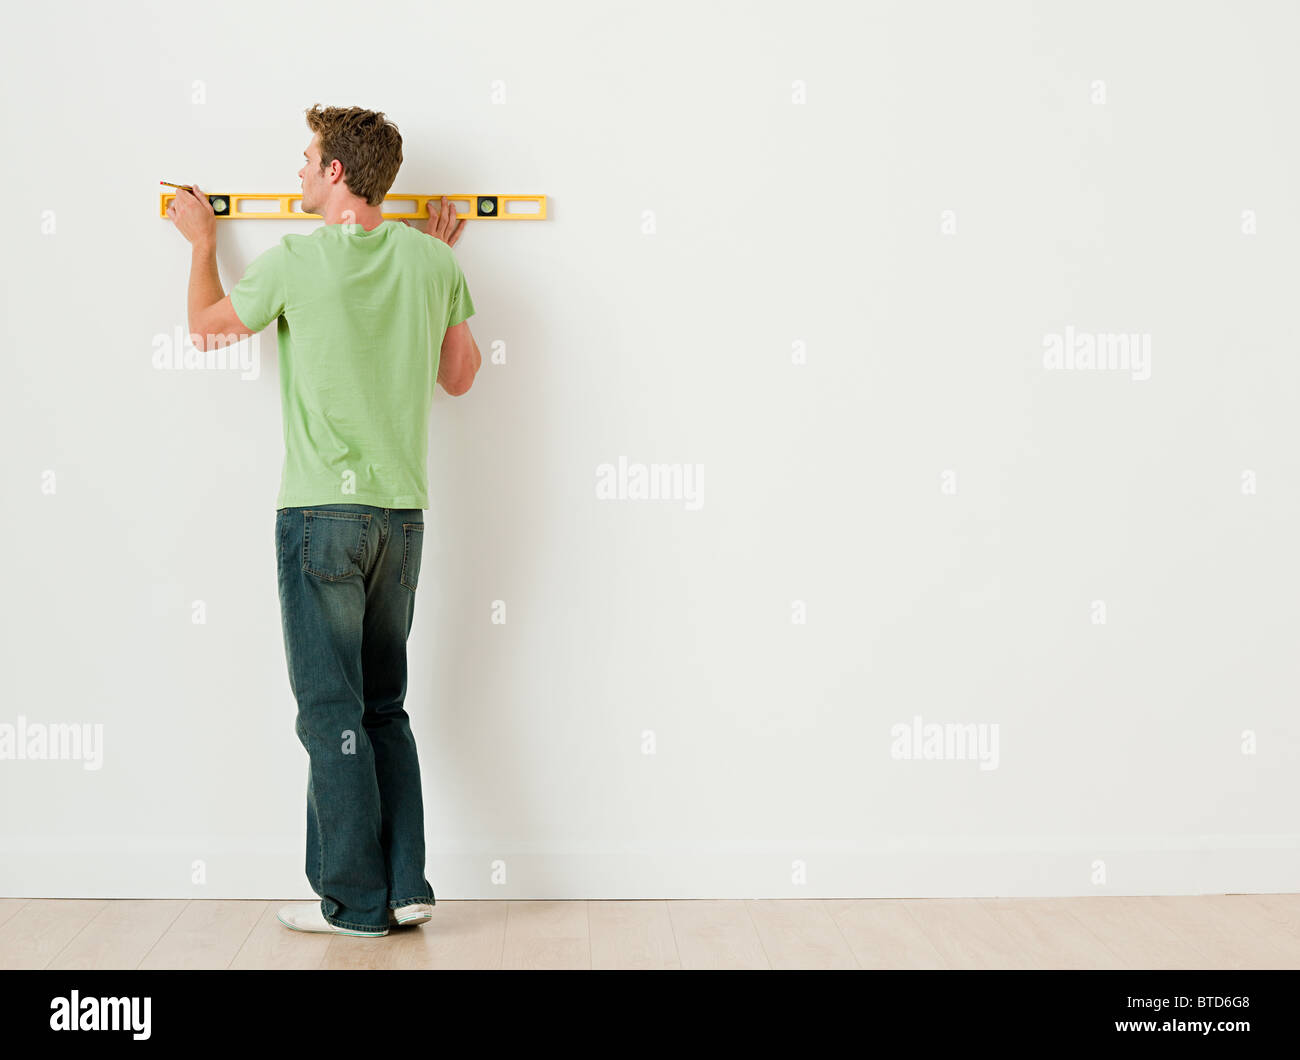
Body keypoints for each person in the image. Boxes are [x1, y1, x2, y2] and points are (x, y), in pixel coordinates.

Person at [165, 103, 481, 937]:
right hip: (401, 521)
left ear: (336, 172)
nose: (298, 173)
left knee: (330, 713)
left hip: (320, 519)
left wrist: (202, 244)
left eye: (307, 160)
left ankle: (353, 903)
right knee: (384, 708)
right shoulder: (429, 262)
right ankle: (405, 885)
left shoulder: (297, 261)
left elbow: (205, 330)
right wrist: (432, 280)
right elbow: (459, 378)